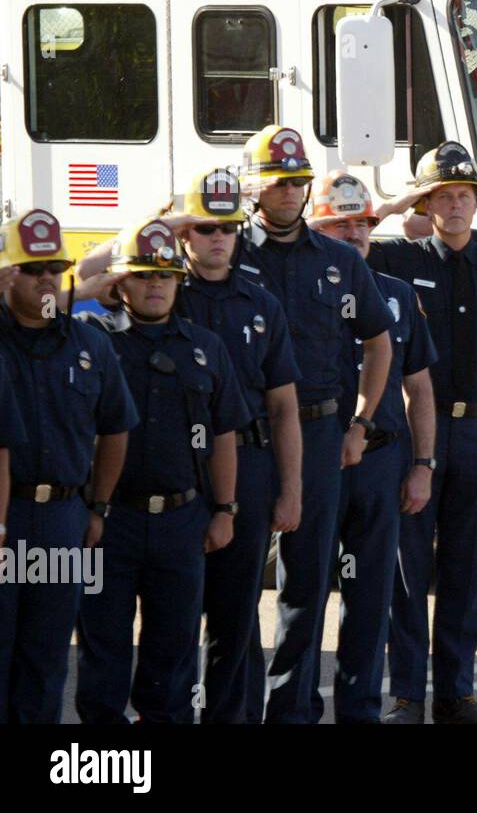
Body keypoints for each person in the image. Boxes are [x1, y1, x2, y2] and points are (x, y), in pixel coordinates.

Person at [367, 142, 477, 726]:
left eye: (464, 195)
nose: (456, 205)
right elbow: (343, 235)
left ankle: (456, 694)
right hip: (416, 434)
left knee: (468, 565)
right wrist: (398, 203)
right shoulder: (397, 261)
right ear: (427, 202)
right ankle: (408, 695)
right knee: (409, 570)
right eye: (442, 196)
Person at [236, 125, 395, 724]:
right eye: (278, 182)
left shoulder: (337, 260)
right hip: (246, 439)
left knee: (306, 588)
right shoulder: (227, 253)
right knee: (236, 586)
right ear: (252, 186)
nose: (290, 192)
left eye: (299, 182)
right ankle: (237, 707)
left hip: (322, 433)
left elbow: (378, 343)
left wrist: (361, 424)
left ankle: (292, 713)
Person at [75, 218, 250, 724]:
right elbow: (37, 310)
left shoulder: (206, 347)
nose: (155, 286)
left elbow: (223, 435)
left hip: (182, 520)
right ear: (119, 283)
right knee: (102, 652)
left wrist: (225, 509)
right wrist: (90, 288)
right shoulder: (89, 338)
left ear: (179, 282)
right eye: (142, 276)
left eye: (165, 277)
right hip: (108, 523)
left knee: (172, 659)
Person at [306, 171, 438, 724]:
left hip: (382, 462)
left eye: (363, 224)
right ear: (318, 230)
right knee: (304, 600)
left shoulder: (398, 296)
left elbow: (420, 389)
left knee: (370, 601)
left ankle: (358, 711)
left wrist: (423, 466)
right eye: (342, 224)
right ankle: (295, 710)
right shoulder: (300, 292)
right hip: (316, 459)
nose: (356, 234)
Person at [171, 170, 303, 725]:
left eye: (226, 227)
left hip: (249, 463)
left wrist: (290, 489)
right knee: (173, 614)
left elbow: (284, 407)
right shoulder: (159, 293)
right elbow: (85, 281)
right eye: (202, 228)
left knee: (235, 615)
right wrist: (164, 221)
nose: (216, 238)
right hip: (177, 467)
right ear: (184, 235)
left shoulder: (262, 303)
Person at [0, 212, 135, 724]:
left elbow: (116, 428)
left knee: (47, 652)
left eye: (55, 268)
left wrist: (97, 506)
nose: (45, 280)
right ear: (8, 272)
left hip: (61, 519)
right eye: (32, 269)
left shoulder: (90, 343)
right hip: (4, 517)